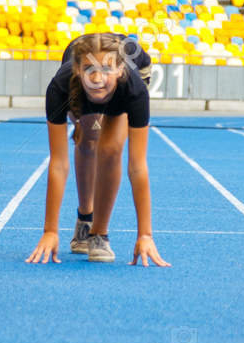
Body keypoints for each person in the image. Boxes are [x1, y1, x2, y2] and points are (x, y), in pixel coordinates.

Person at [25, 31, 169, 267]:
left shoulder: (133, 90)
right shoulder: (60, 87)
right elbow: (59, 164)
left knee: (110, 148)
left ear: (120, 70)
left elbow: (137, 166)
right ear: (79, 71)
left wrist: (145, 235)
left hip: (131, 78)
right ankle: (85, 217)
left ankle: (99, 234)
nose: (98, 78)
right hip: (76, 90)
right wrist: (50, 230)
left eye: (106, 68)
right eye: (90, 69)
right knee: (89, 137)